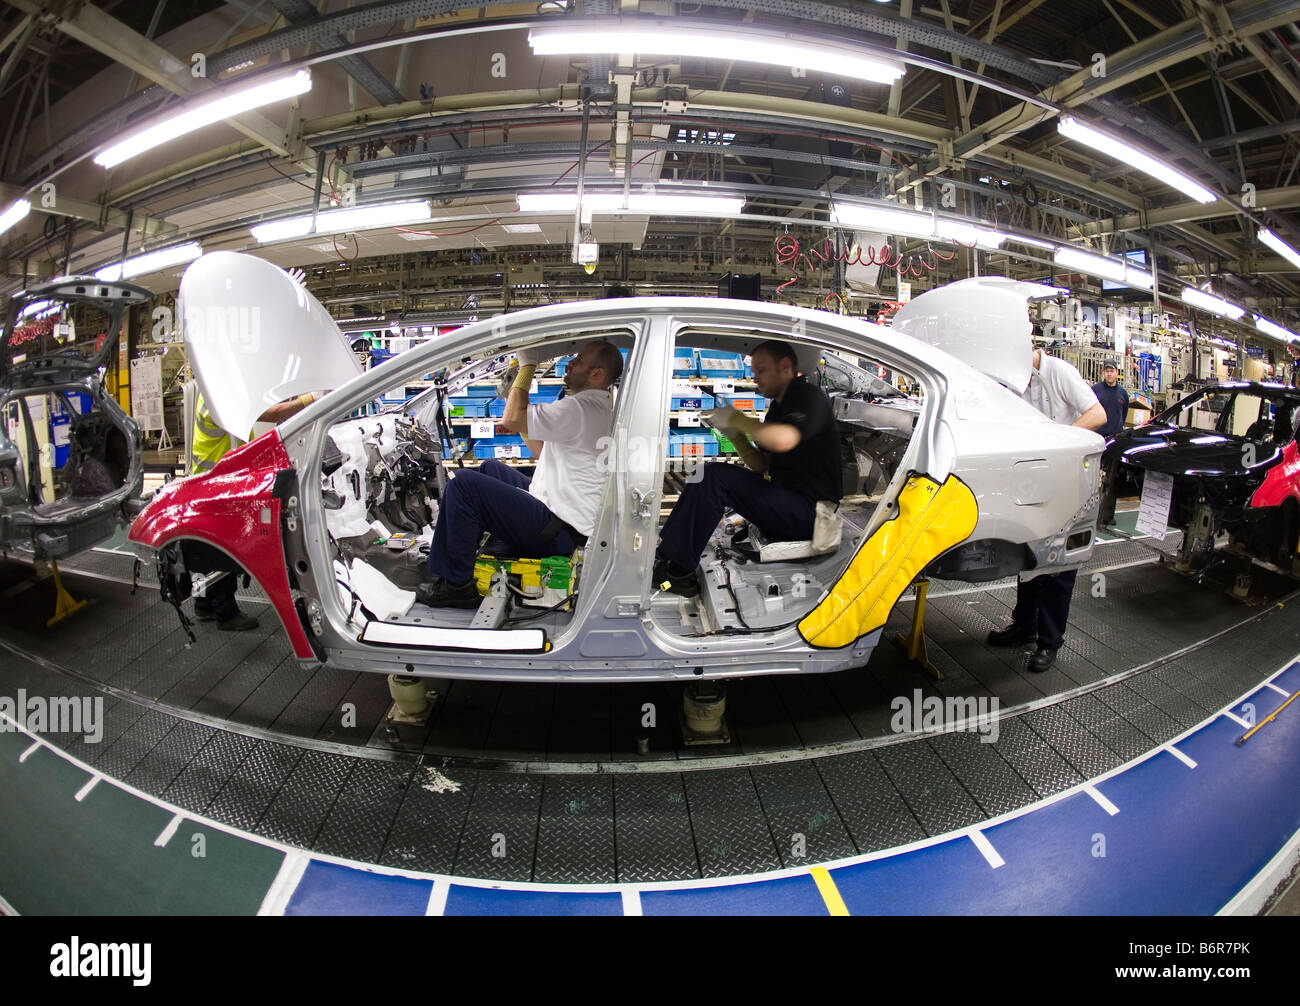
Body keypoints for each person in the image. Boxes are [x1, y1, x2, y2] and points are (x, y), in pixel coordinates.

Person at [417, 339, 623, 608]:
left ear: (597, 374)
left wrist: (527, 366)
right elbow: (542, 451)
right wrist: (520, 418)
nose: (571, 363)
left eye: (580, 360)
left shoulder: (580, 409)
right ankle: (466, 545)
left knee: (464, 486)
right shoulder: (593, 406)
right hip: (562, 513)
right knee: (491, 467)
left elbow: (512, 418)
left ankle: (457, 584)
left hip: (559, 530)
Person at [654, 340, 842, 596]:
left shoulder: (809, 398)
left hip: (811, 514)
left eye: (761, 370)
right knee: (705, 471)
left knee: (713, 477)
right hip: (787, 504)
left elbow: (783, 439)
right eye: (753, 371)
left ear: (785, 366)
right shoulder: (777, 408)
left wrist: (737, 419)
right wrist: (735, 436)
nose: (755, 377)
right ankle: (667, 554)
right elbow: (760, 465)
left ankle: (677, 571)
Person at [986, 336, 1107, 672]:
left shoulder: (1060, 373)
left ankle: (1049, 642)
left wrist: (1058, 441)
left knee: (1057, 566)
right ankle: (1024, 626)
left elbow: (1097, 414)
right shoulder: (1013, 381)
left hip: (1066, 482)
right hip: (1033, 480)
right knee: (1027, 559)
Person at [189, 389, 322, 630]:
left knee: (204, 551)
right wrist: (309, 399)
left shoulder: (209, 390)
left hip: (209, 480)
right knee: (223, 551)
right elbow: (266, 414)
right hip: (221, 483)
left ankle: (203, 604)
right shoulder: (220, 395)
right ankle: (225, 613)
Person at [1091, 359, 1130, 440]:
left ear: (1117, 372)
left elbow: (1124, 414)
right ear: (1103, 372)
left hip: (1116, 437)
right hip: (1097, 436)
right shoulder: (1095, 390)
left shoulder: (1123, 393)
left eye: (1112, 371)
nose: (1109, 374)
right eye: (1107, 371)